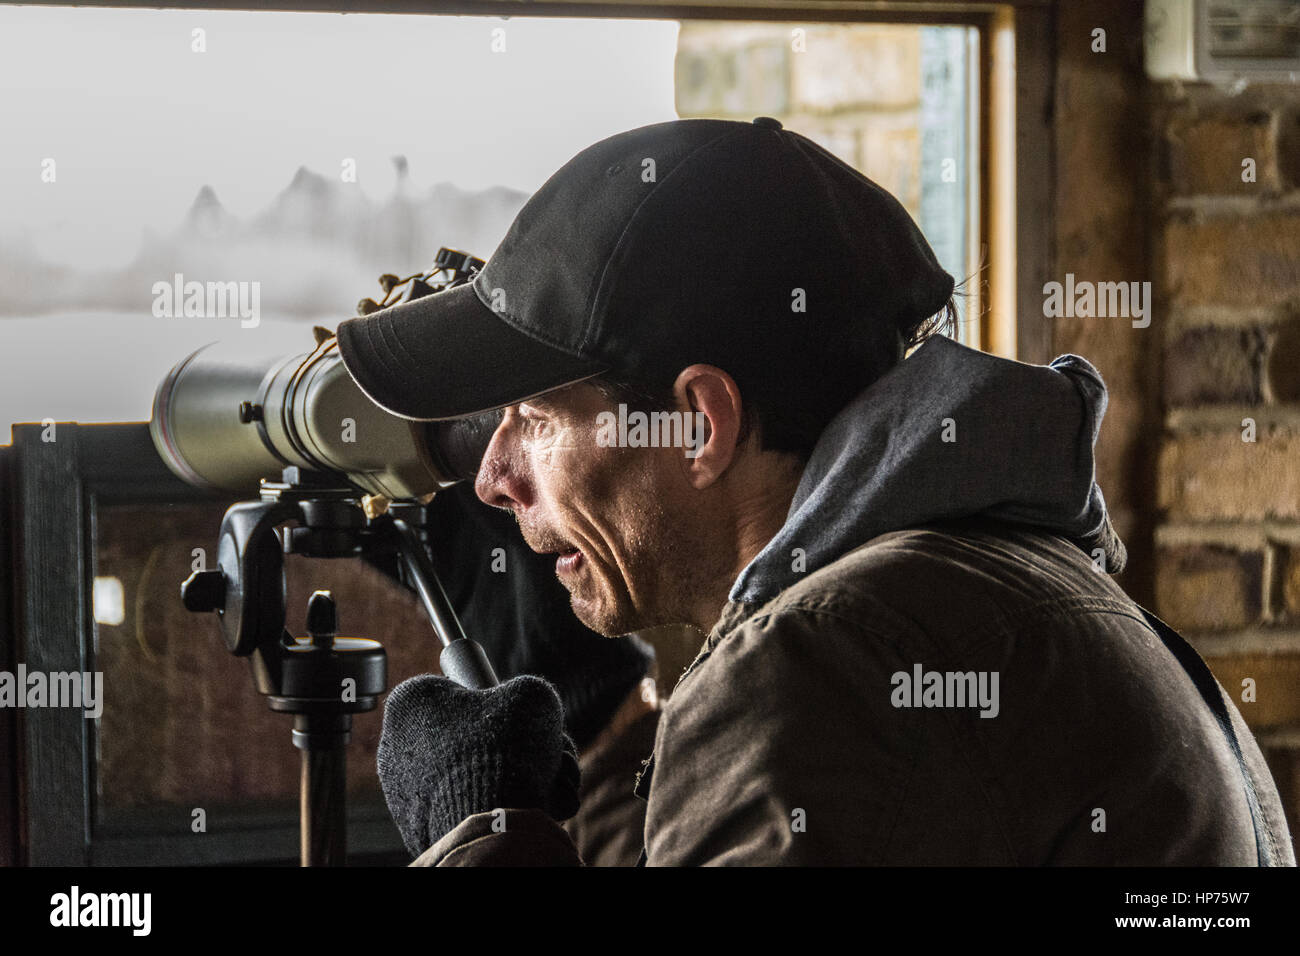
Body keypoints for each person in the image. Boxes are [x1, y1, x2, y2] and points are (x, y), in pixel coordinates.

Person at [338, 117, 1295, 866]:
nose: (495, 477)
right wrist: (597, 736)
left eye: (535, 419)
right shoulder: (1012, 578)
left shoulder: (823, 663)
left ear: (701, 423)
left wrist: (485, 833)